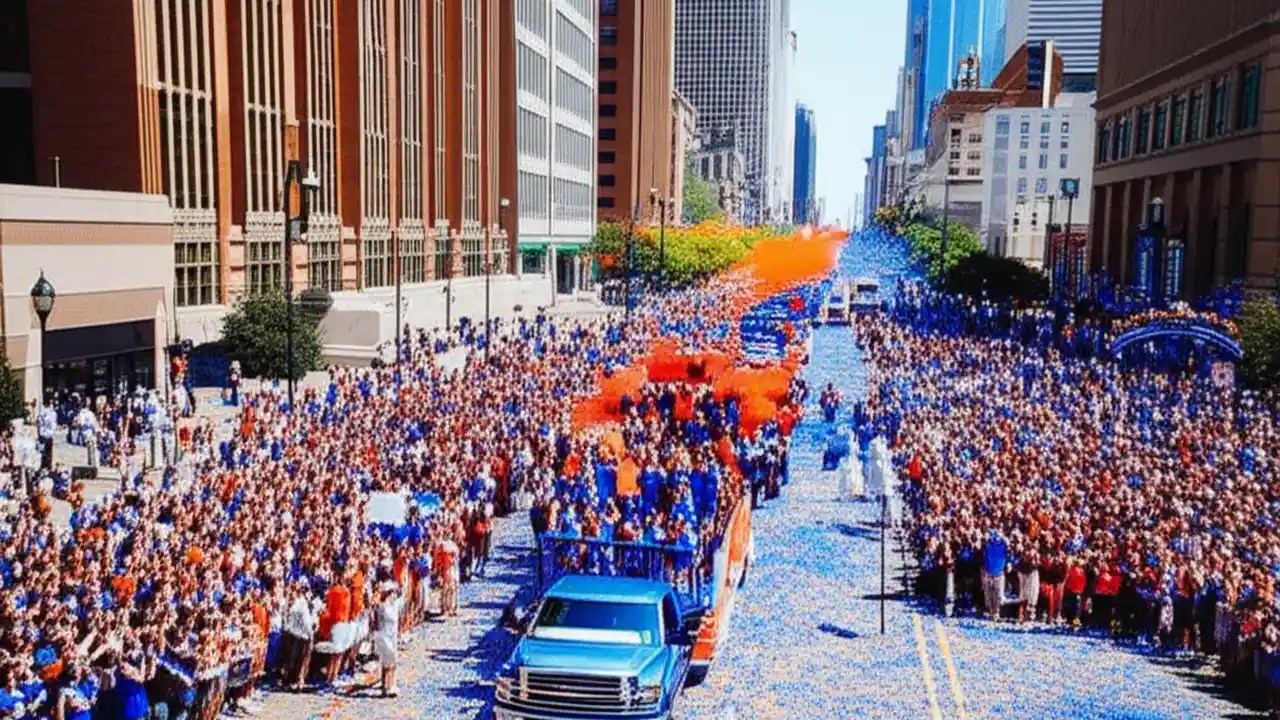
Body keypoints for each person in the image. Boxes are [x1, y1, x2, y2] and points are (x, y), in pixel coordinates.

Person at [372, 582, 405, 698]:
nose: (393, 594)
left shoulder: (394, 605)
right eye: (391, 592)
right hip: (384, 636)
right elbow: (376, 623)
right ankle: (386, 686)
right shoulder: (381, 607)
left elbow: (402, 595)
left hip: (392, 636)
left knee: (392, 662)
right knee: (387, 662)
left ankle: (390, 685)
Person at [981, 529, 1008, 621]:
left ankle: (996, 612)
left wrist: (1003, 537)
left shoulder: (1003, 546)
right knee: (989, 596)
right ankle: (992, 612)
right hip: (988, 573)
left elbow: (1009, 546)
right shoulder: (987, 545)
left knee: (999, 595)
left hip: (999, 574)